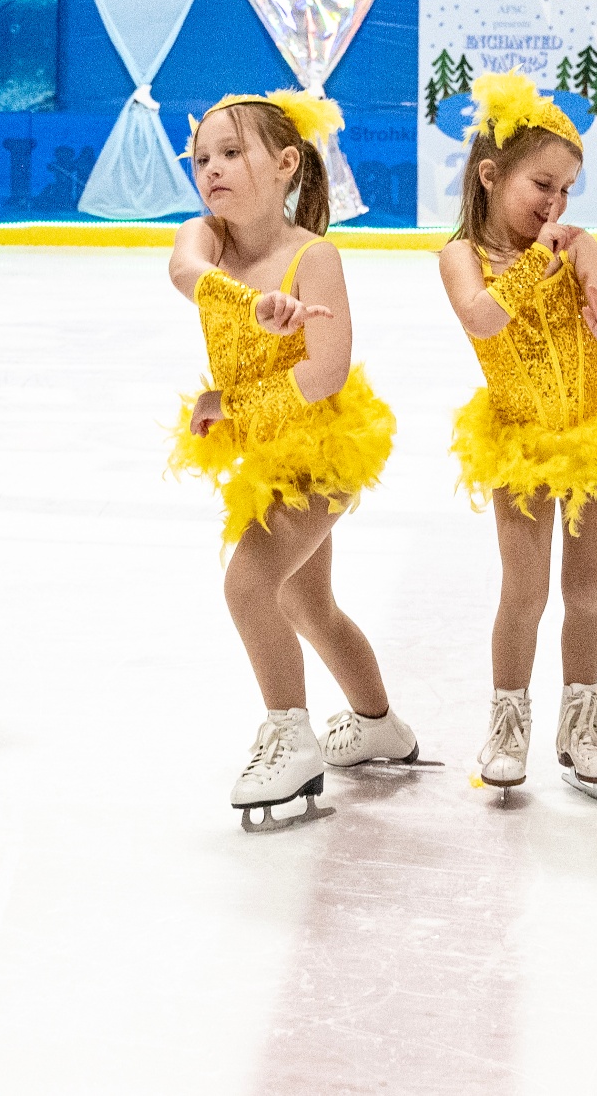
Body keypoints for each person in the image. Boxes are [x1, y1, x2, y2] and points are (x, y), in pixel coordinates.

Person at [167, 91, 420, 832]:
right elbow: (185, 273)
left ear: (284, 164)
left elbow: (325, 373)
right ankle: (379, 724)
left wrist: (234, 403)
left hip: (323, 450)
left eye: (230, 152)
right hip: (264, 451)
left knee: (249, 585)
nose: (211, 168)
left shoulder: (314, 256)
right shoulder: (205, 239)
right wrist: (251, 307)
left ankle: (289, 735)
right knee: (308, 605)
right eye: (201, 158)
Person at [438, 72, 597, 803]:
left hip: (595, 434)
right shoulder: (463, 256)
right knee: (525, 590)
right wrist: (539, 260)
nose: (556, 205)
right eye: (542, 185)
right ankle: (508, 723)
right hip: (521, 444)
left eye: (566, 191)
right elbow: (482, 318)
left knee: (587, 590)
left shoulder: (578, 245)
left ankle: (582, 719)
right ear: (490, 175)